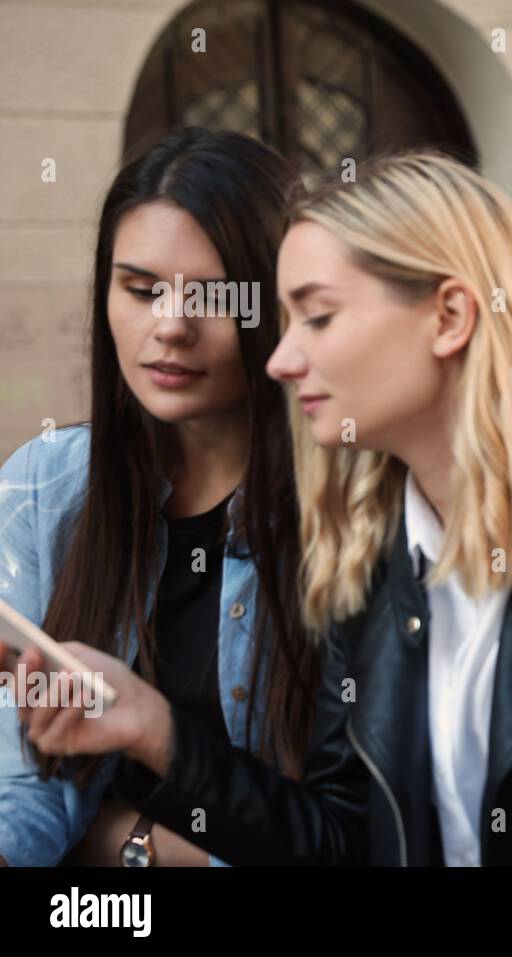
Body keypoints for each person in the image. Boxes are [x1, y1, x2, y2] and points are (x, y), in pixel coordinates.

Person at [14, 152, 512, 866]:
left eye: (317, 316)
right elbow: (337, 844)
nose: (281, 360)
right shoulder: (372, 552)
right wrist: (157, 730)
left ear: (451, 317)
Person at [0, 128, 315, 867]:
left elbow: (348, 832)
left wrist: (133, 844)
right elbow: (22, 784)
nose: (170, 325)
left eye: (212, 295)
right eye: (141, 290)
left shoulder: (347, 513)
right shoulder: (45, 486)